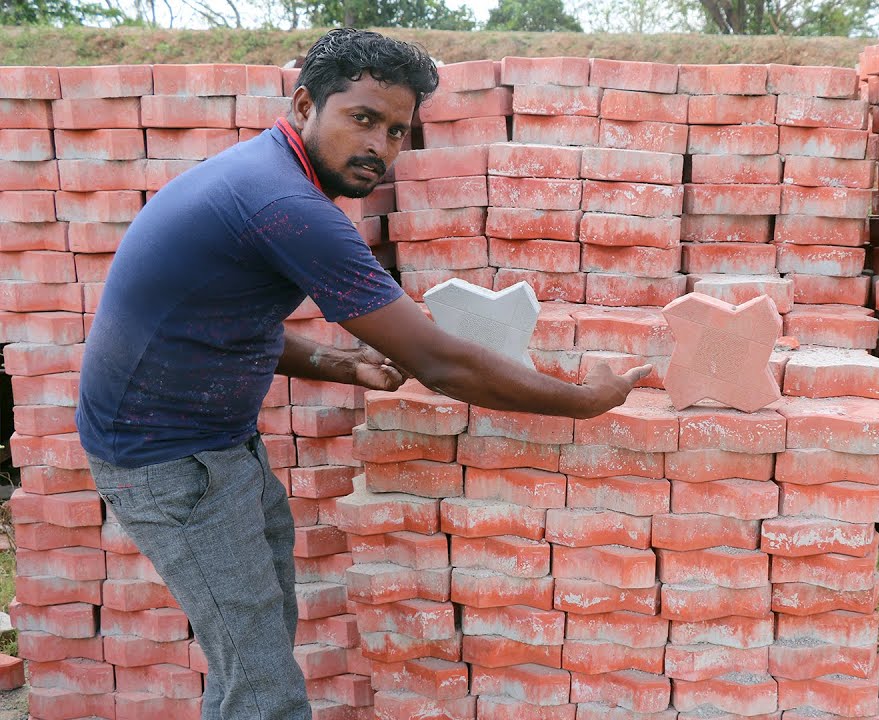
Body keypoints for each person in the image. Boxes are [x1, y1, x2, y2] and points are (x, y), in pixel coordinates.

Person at [75, 28, 650, 719]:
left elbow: (213, 325)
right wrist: (587, 400)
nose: (381, 145)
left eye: (399, 131)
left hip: (214, 444)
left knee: (258, 640)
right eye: (364, 118)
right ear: (304, 105)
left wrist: (340, 364)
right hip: (170, 461)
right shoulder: (286, 205)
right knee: (262, 684)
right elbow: (437, 361)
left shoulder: (268, 175)